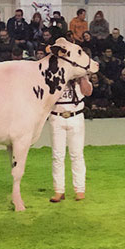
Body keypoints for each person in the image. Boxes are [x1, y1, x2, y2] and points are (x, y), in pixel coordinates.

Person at [48, 71, 88, 203]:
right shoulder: (54, 77)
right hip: (57, 116)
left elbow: (88, 92)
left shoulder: (79, 77)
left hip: (75, 115)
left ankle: (79, 189)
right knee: (57, 155)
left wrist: (82, 77)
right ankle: (59, 190)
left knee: (76, 154)